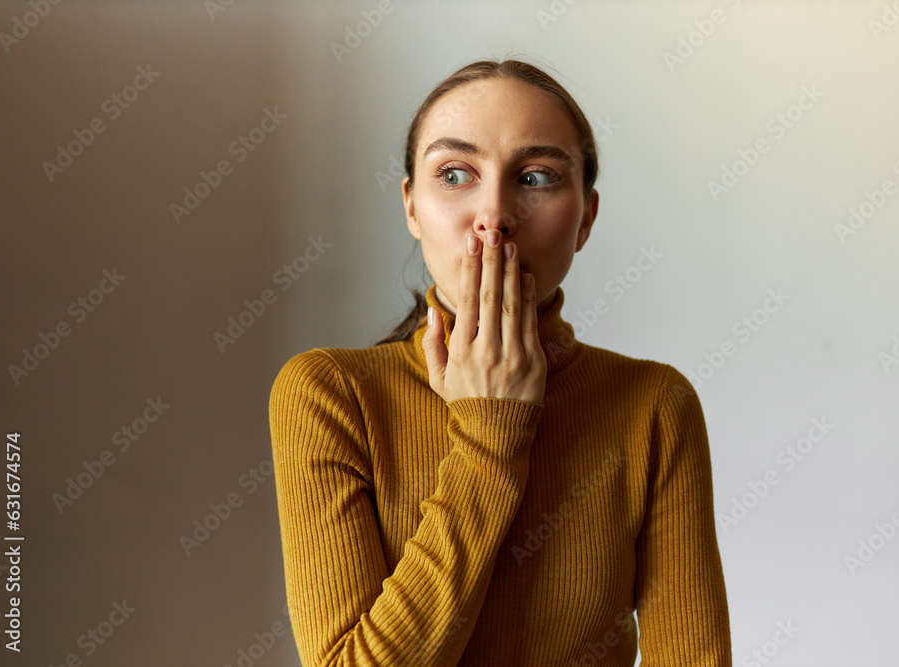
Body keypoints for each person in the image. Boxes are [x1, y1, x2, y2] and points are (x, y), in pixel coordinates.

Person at [269, 56, 731, 665]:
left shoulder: (655, 404)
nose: (493, 215)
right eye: (455, 174)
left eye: (536, 177)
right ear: (411, 206)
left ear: (586, 218)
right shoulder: (329, 394)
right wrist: (491, 433)